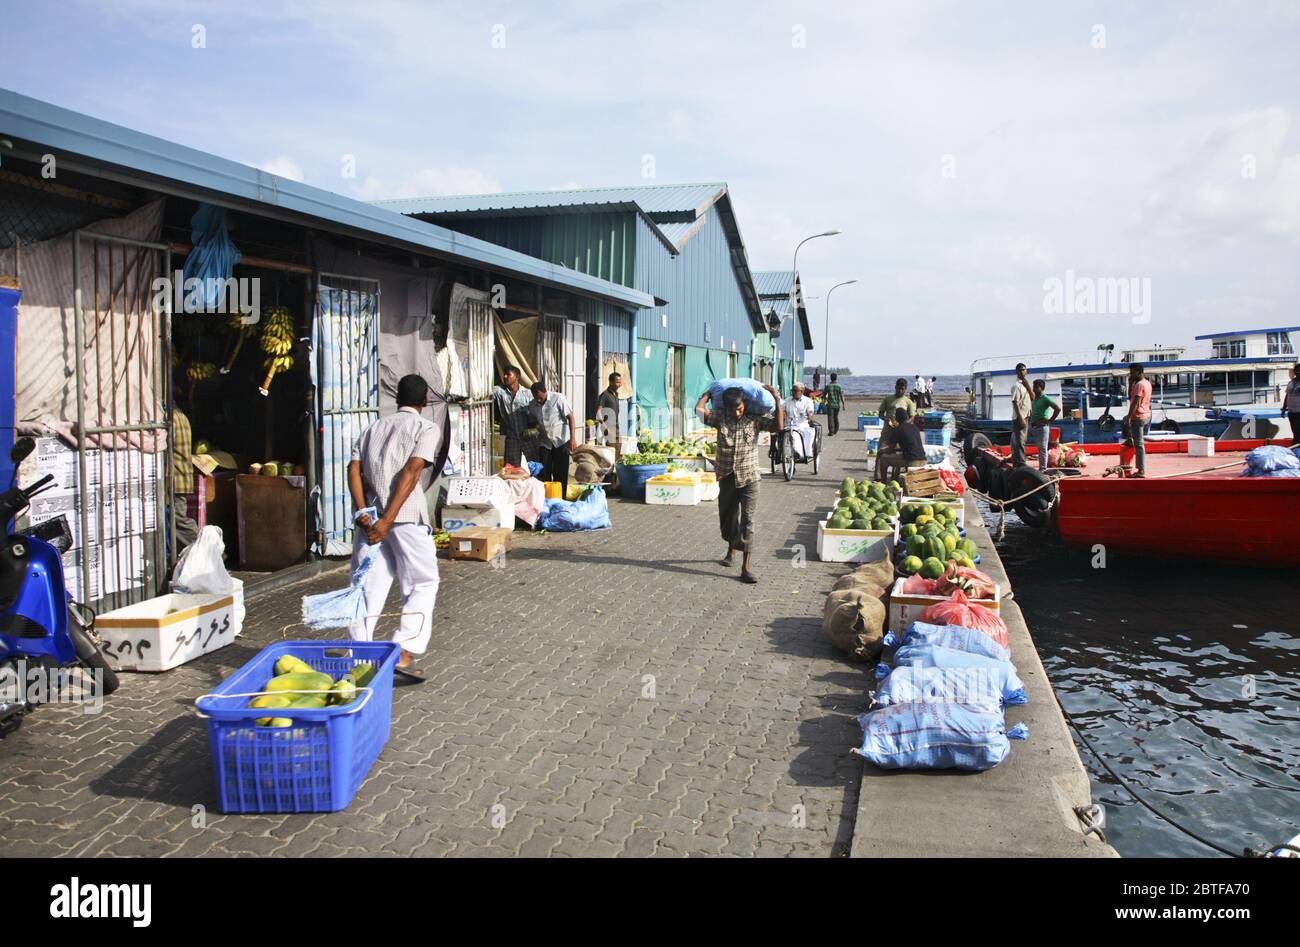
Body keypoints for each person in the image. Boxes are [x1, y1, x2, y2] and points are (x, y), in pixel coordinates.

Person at [347, 374, 442, 681]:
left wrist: (365, 513)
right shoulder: (425, 428)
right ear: (424, 402)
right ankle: (403, 651)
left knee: (365, 588)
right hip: (403, 518)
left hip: (371, 521)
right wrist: (387, 519)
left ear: (397, 399)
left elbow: (354, 468)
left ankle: (358, 656)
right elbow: (412, 472)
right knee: (422, 582)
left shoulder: (373, 427)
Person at [695, 383, 783, 584]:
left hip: (750, 477)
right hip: (726, 475)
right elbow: (699, 411)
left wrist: (777, 400)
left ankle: (746, 568)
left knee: (748, 520)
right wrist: (706, 394)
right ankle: (731, 548)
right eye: (733, 409)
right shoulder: (720, 418)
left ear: (745, 404)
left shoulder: (754, 420)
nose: (737, 412)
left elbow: (778, 427)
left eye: (740, 408)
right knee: (728, 518)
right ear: (726, 408)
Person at [528, 380, 577, 494]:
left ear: (545, 391)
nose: (538, 400)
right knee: (544, 472)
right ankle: (547, 498)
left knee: (560, 472)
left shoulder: (558, 398)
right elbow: (533, 421)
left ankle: (561, 498)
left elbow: (571, 417)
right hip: (545, 443)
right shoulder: (532, 405)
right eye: (536, 398)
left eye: (540, 398)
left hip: (561, 441)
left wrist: (573, 438)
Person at [170, 405, 200, 561]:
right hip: (181, 475)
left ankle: (207, 549)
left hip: (176, 477)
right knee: (176, 518)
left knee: (178, 519)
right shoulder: (182, 416)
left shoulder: (171, 418)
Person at [492, 365, 534, 469]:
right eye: (504, 374)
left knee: (535, 467)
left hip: (528, 437)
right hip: (512, 437)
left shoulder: (528, 394)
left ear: (517, 377)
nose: (505, 376)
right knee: (511, 469)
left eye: (508, 374)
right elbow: (484, 391)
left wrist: (535, 429)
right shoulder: (499, 391)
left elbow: (537, 413)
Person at [875, 407, 927, 482]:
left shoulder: (898, 430)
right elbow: (910, 445)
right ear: (906, 417)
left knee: (883, 458)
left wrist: (881, 451)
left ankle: (883, 482)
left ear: (896, 418)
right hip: (923, 459)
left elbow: (890, 449)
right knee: (900, 456)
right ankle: (895, 477)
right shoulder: (914, 427)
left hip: (912, 461)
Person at [1121, 363, 1152, 477]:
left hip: (1138, 417)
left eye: (1133, 372)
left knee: (1139, 444)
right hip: (1146, 415)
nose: (1131, 375)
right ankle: (1130, 439)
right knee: (1137, 441)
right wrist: (1130, 383)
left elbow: (1134, 402)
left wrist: (1129, 417)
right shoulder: (1146, 383)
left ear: (1139, 372)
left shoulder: (1139, 385)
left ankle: (1141, 471)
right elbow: (1131, 397)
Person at [1030, 379, 1061, 473]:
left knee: (1042, 448)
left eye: (1036, 387)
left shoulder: (1045, 398)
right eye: (1033, 386)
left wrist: (1050, 420)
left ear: (1041, 388)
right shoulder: (1035, 399)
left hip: (1042, 427)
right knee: (1039, 448)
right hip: (1034, 427)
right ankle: (1041, 468)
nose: (1034, 389)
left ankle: (1043, 469)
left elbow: (1057, 408)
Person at [783, 382, 816, 460]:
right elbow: (782, 411)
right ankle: (797, 453)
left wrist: (809, 416)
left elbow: (810, 412)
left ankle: (806, 453)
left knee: (810, 433)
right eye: (793, 391)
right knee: (794, 435)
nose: (793, 392)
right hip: (789, 425)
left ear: (802, 392)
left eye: (795, 391)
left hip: (802, 425)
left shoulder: (808, 401)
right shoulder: (787, 400)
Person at [1009, 363, 1032, 466]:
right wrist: (1020, 418)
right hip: (1020, 417)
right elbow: (1015, 402)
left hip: (1026, 416)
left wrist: (1027, 384)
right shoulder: (1016, 386)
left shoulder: (1025, 385)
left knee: (1022, 440)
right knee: (1020, 441)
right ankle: (1021, 463)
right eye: (1020, 370)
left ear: (1026, 371)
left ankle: (1018, 461)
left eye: (1024, 370)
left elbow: (1033, 397)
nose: (1022, 372)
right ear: (1017, 372)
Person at [596, 371, 622, 449]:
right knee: (611, 451)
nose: (620, 384)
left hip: (616, 428)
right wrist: (604, 426)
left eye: (620, 382)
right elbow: (598, 412)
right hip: (609, 429)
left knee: (619, 451)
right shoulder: (605, 395)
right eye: (617, 382)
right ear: (611, 382)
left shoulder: (616, 394)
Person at [823, 371, 845, 436]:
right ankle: (836, 430)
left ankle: (831, 431)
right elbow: (841, 396)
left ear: (830, 378)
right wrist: (843, 405)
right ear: (836, 378)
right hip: (837, 405)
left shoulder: (828, 386)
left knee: (830, 418)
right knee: (836, 417)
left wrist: (825, 401)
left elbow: (824, 394)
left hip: (830, 405)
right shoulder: (839, 386)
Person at [1284, 363, 1300, 446]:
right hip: (1291, 412)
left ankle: (1295, 446)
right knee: (1294, 430)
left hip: (1299, 412)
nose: (1298, 372)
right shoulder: (1291, 383)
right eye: (1296, 371)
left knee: (1298, 432)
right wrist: (1283, 408)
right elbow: (1287, 396)